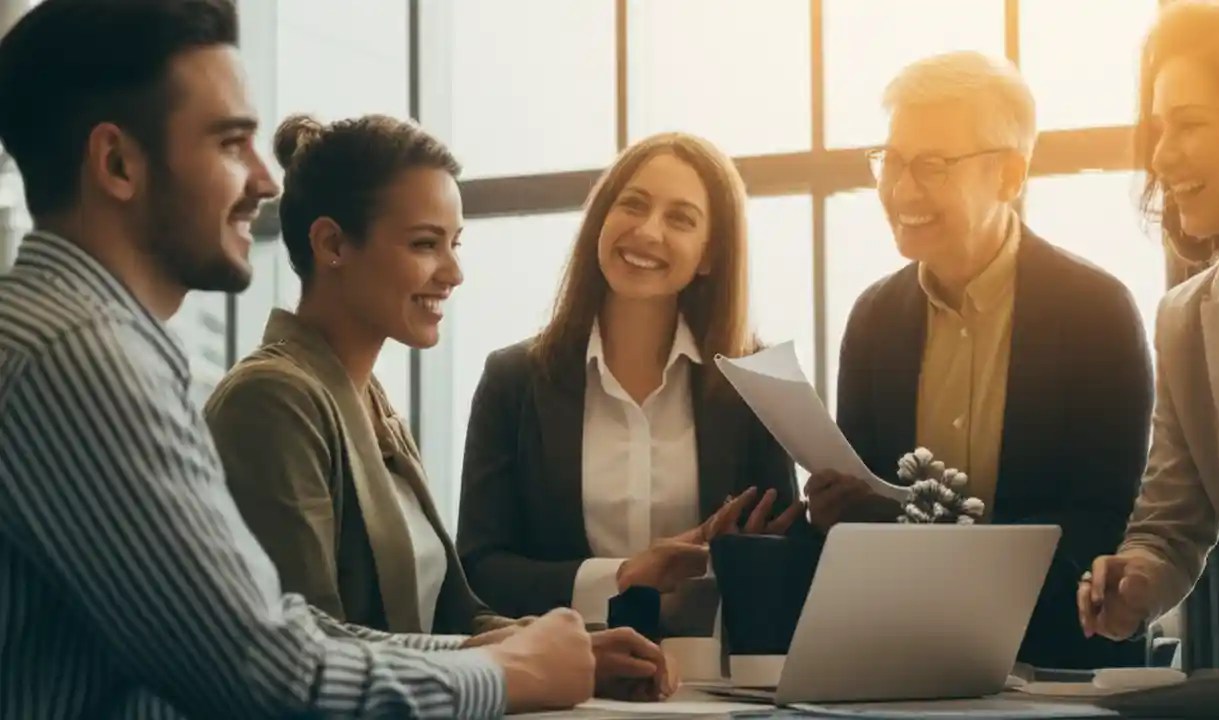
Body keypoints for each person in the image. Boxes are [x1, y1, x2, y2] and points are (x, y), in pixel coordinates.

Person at [0, 0, 596, 716]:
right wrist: (510, 677)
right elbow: (269, 673)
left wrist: (499, 653)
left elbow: (271, 626)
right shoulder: (83, 359)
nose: (265, 179)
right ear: (118, 163)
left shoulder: (81, 342)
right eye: (229, 144)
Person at [204, 113, 675, 702]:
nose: (453, 273)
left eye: (454, 244)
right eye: (425, 244)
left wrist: (578, 646)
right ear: (331, 244)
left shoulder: (370, 402)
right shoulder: (271, 402)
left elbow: (455, 611)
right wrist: (511, 661)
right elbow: (308, 649)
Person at [811, 51, 1154, 669]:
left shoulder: (1097, 311)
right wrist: (841, 511)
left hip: (1052, 661)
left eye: (932, 165)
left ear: (1009, 176)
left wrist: (964, 569)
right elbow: (866, 509)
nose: (900, 188)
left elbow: (1103, 517)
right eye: (891, 161)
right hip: (900, 652)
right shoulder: (873, 320)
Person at [456, 132, 805, 628]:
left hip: (712, 682)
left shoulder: (754, 383)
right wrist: (621, 577)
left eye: (680, 219)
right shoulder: (513, 381)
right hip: (565, 679)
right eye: (633, 205)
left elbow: (784, 556)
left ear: (709, 255)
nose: (647, 231)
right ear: (601, 221)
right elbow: (479, 569)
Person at [1080, 0, 1219, 673]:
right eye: (1158, 127)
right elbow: (1172, 524)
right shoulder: (1186, 323)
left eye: (1189, 124)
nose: (1161, 155)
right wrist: (1134, 579)